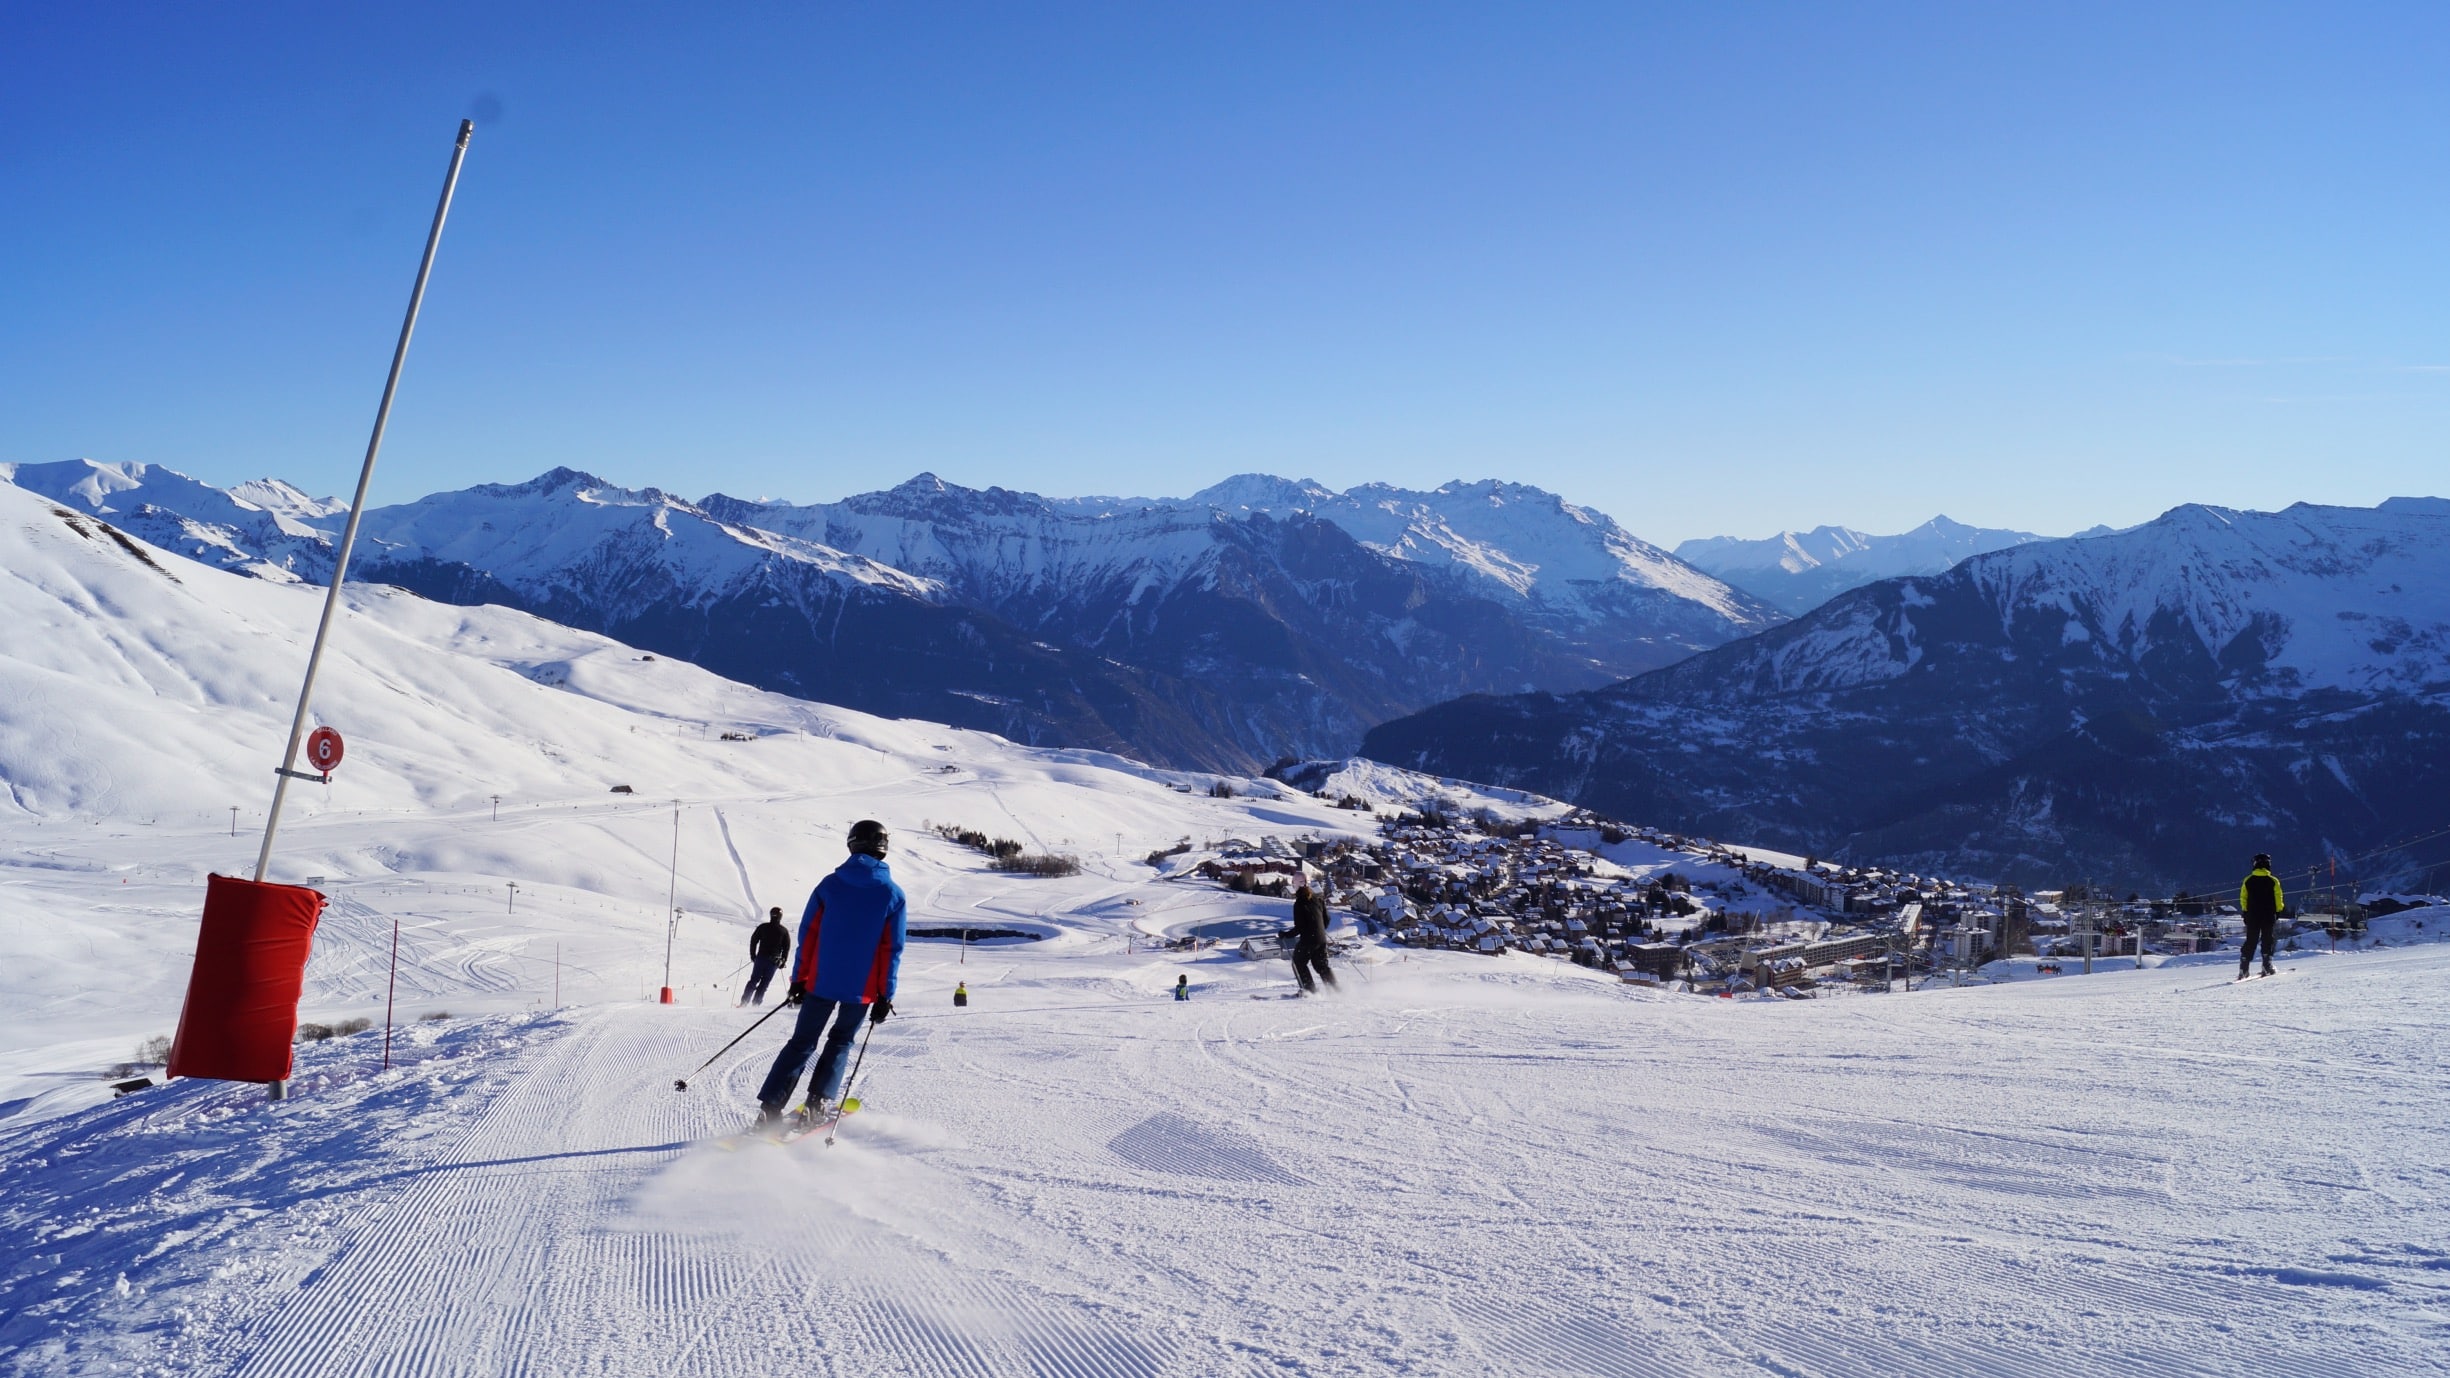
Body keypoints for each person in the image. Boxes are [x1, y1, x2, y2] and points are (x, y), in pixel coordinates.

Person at [752, 820, 907, 1131]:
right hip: (862, 990)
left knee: (802, 1042)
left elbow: (808, 934)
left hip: (820, 983)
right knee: (840, 1042)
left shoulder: (829, 885)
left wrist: (798, 980)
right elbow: (892, 949)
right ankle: (817, 1103)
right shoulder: (893, 894)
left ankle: (770, 1109)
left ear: (852, 845)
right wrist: (884, 994)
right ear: (883, 849)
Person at [2238, 853, 2285, 979]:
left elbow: (2243, 898)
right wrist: (2278, 911)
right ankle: (2266, 965)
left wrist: (2245, 912)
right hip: (2268, 915)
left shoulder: (2248, 880)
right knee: (2267, 939)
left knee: (2251, 940)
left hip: (2252, 915)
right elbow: (2278, 898)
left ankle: (2244, 967)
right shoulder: (2273, 881)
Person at [740, 906, 791, 1006]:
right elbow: (786, 947)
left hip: (761, 958)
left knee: (754, 980)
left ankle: (744, 1003)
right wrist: (783, 960)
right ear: (781, 916)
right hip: (774, 962)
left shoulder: (763, 927)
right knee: (764, 983)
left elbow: (753, 940)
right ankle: (756, 1004)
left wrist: (753, 955)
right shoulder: (784, 931)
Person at [1290, 884, 1336, 994]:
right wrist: (1319, 929)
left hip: (1308, 940)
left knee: (1298, 962)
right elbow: (1327, 919)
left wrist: (1285, 934)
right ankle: (1336, 990)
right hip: (1321, 939)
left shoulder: (1299, 903)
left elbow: (1299, 928)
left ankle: (1310, 990)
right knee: (1321, 966)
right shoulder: (1319, 900)